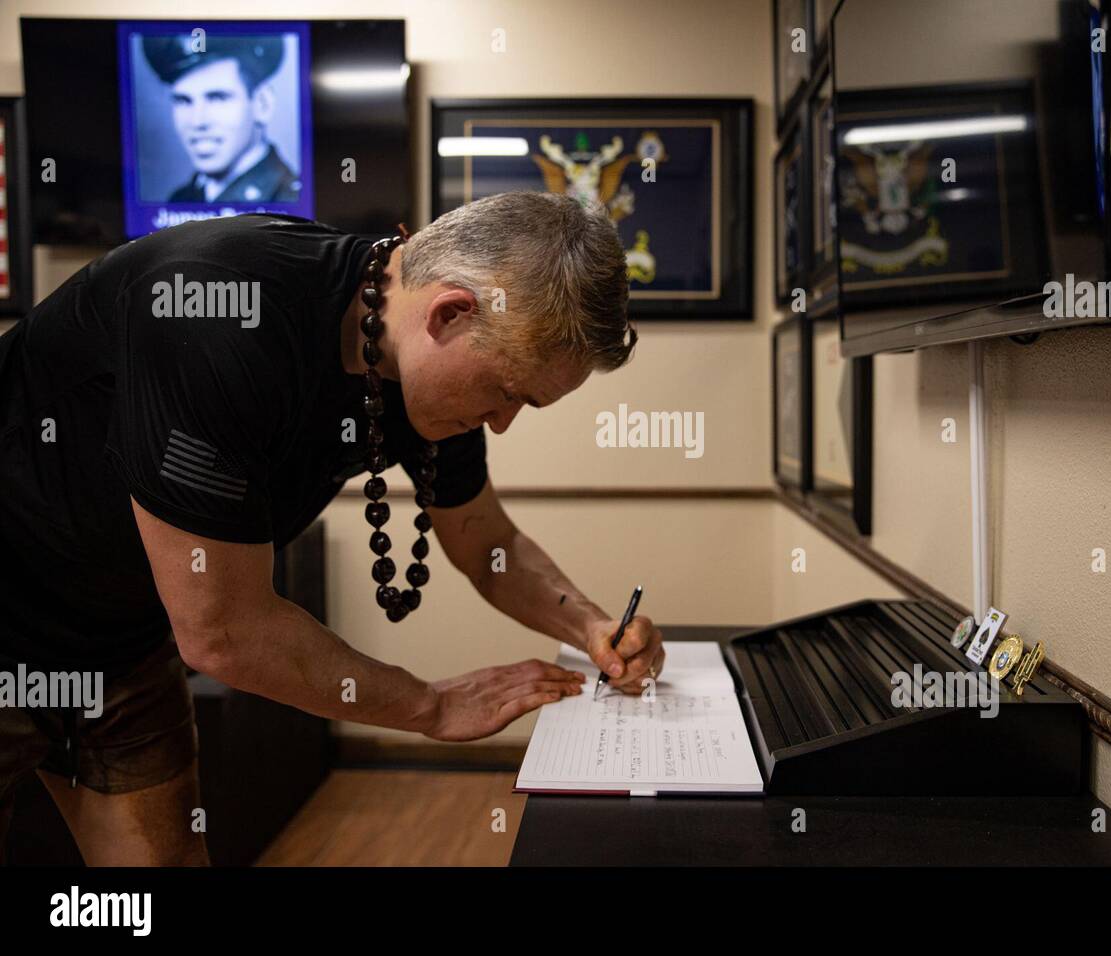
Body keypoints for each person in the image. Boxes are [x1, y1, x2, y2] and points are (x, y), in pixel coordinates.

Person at [0, 192, 663, 865]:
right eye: (510, 391)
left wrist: (589, 626)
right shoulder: (214, 305)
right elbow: (225, 631)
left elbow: (488, 544)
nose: (502, 422)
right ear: (451, 313)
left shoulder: (426, 374)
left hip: (123, 640)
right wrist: (428, 707)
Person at [142, 34, 301, 203]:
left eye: (217, 98)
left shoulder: (289, 198)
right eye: (184, 101)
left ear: (262, 104)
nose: (197, 122)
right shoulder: (181, 199)